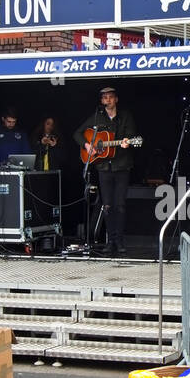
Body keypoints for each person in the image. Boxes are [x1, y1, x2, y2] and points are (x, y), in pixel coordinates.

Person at [74, 87, 138, 255]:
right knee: (107, 205)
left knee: (120, 205)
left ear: (116, 99)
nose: (108, 100)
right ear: (102, 101)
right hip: (103, 167)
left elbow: (132, 135)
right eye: (105, 98)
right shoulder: (97, 117)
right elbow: (78, 134)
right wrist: (87, 145)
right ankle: (110, 241)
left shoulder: (125, 116)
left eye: (110, 97)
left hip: (122, 166)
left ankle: (120, 241)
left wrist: (127, 142)